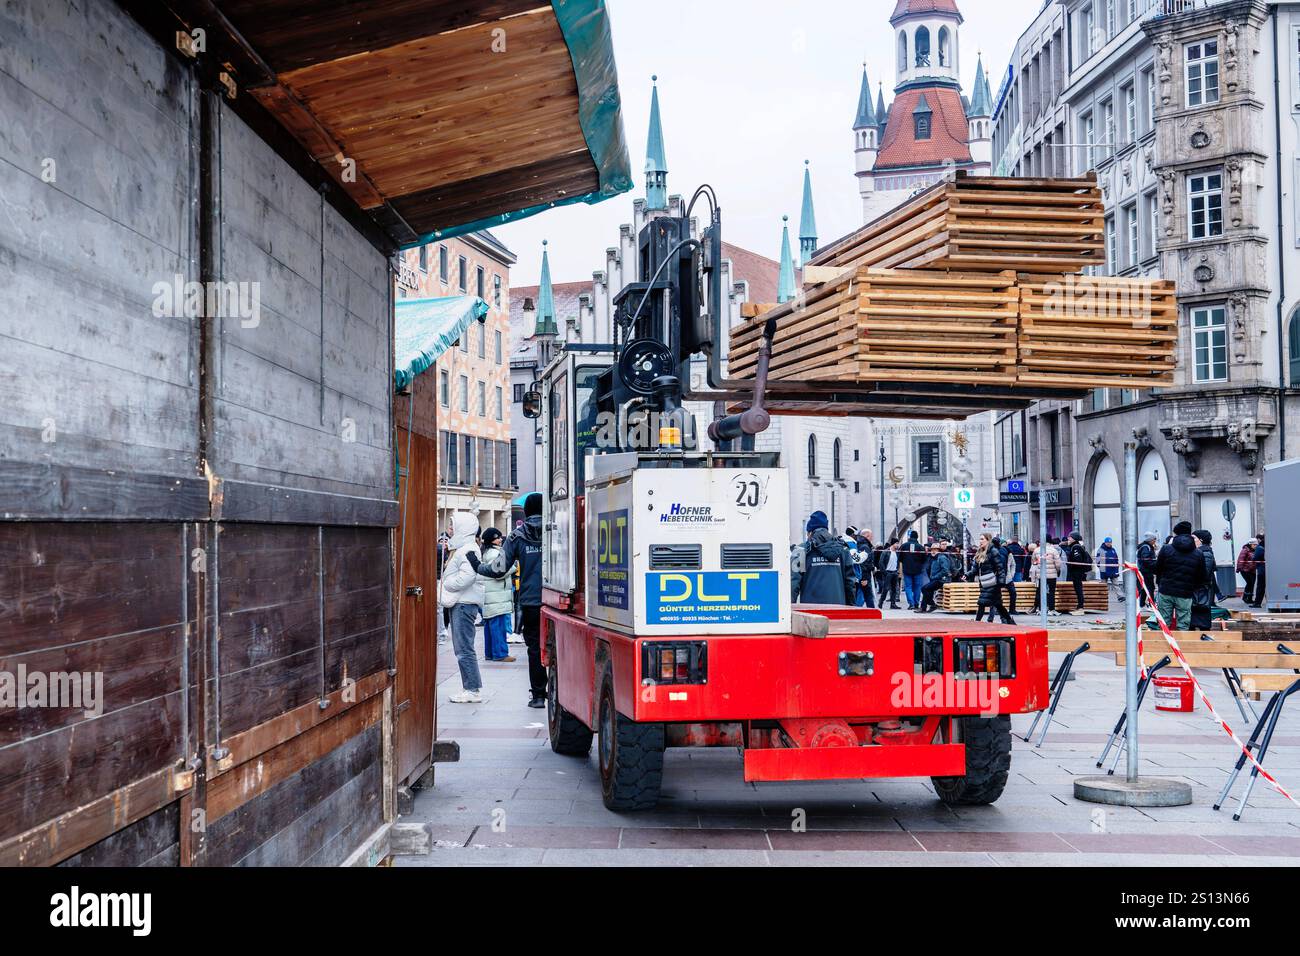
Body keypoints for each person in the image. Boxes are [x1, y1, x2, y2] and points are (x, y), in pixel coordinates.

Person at [479, 492, 546, 708]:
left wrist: (477, 565)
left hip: (530, 601)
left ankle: (538, 696)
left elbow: (499, 569)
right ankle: (559, 694)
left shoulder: (517, 536)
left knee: (534, 647)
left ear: (526, 511)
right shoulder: (557, 530)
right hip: (559, 601)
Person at [439, 512, 486, 703]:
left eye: (452, 526)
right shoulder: (464, 547)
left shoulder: (467, 549)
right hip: (461, 602)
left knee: (464, 648)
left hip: (464, 603)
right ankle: (470, 688)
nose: (450, 530)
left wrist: (447, 584)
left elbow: (468, 576)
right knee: (462, 647)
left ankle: (472, 689)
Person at [791, 511, 856, 605]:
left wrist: (790, 609)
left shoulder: (800, 550)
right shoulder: (843, 549)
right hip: (839, 609)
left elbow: (793, 582)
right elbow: (850, 582)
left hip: (810, 612)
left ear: (810, 532)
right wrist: (852, 607)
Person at [1154, 521, 1209, 631]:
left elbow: (1158, 569)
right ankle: (1181, 646)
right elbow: (1202, 576)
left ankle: (1161, 646)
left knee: (1163, 623)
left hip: (1166, 590)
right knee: (1183, 624)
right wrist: (1192, 587)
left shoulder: (1166, 549)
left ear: (1176, 534)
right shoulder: (1198, 553)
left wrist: (1160, 583)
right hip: (1185, 593)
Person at [477, 528, 516, 663]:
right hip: (497, 595)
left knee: (490, 624)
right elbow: (498, 573)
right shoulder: (495, 554)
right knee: (498, 625)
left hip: (491, 594)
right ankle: (500, 653)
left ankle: (490, 653)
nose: (500, 540)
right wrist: (513, 567)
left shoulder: (487, 552)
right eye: (497, 537)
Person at [973, 534, 1014, 625]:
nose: (980, 541)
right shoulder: (979, 552)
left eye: (982, 539)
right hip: (985, 582)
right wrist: (967, 575)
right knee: (998, 605)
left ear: (988, 540)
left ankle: (976, 623)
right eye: (980, 539)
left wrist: (1001, 582)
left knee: (982, 603)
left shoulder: (993, 551)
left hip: (992, 583)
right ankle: (1010, 621)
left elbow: (1000, 568)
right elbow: (975, 568)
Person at [1190, 529, 1222, 630]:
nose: (1192, 540)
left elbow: (1204, 574)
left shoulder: (1206, 553)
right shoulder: (1200, 552)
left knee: (1201, 620)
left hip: (1201, 592)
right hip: (1199, 592)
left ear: (1201, 540)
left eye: (1194, 538)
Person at [898, 530, 928, 611]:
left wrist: (905, 562)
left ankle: (911, 604)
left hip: (907, 569)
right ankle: (916, 603)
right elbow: (924, 559)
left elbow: (899, 557)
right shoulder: (920, 547)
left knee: (908, 587)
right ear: (917, 537)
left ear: (910, 537)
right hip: (918, 570)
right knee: (917, 587)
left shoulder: (904, 546)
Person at [1063, 532, 1092, 616]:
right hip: (1078, 572)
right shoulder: (1076, 546)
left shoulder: (1076, 547)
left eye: (1070, 537)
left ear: (1074, 539)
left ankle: (1080, 608)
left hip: (1077, 572)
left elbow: (1077, 560)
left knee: (1078, 589)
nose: (1068, 539)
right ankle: (1079, 607)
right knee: (1078, 589)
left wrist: (1069, 564)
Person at [1029, 539, 1060, 615]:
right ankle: (1051, 609)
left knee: (1040, 592)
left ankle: (1040, 609)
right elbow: (1058, 564)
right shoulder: (1054, 550)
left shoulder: (1036, 550)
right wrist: (1057, 571)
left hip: (1041, 575)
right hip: (1052, 575)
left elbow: (1033, 562)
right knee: (1051, 592)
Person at [919, 542, 952, 613]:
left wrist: (935, 577)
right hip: (935, 579)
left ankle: (931, 605)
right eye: (932, 549)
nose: (933, 551)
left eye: (935, 550)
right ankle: (924, 608)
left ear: (939, 550)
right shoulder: (933, 558)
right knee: (927, 590)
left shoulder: (942, 558)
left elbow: (945, 570)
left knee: (924, 589)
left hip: (942, 580)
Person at [1096, 536, 1122, 604]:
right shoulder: (1101, 550)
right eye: (1107, 542)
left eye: (1110, 542)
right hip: (1104, 571)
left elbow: (1116, 559)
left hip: (1113, 570)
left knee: (1116, 584)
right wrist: (1102, 569)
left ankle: (1120, 596)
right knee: (1104, 585)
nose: (1109, 544)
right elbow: (1098, 561)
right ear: (1105, 542)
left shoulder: (1113, 549)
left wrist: (1116, 568)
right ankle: (1103, 598)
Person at [876, 539, 901, 609]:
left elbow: (897, 562)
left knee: (894, 589)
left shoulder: (897, 552)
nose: (897, 545)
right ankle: (881, 602)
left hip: (894, 572)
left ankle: (893, 604)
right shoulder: (886, 552)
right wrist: (885, 573)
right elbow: (881, 562)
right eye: (896, 543)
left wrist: (897, 570)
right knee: (885, 589)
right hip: (888, 572)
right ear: (893, 544)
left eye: (898, 543)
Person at [1137, 531, 1160, 600]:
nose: (1155, 541)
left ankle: (1143, 603)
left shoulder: (1147, 546)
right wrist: (1155, 564)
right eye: (1154, 539)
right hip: (1146, 571)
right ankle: (1150, 603)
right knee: (1150, 587)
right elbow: (1146, 559)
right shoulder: (1146, 547)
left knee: (1146, 587)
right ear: (1150, 540)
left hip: (1145, 570)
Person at [1236, 539, 1258, 606]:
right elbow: (1240, 559)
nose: (1255, 546)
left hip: (1252, 570)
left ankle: (1250, 598)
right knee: (1249, 583)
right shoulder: (1245, 550)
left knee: (1252, 584)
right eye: (1254, 545)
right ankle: (1245, 597)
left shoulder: (1255, 550)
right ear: (1250, 544)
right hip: (1245, 570)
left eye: (1256, 545)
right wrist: (1239, 568)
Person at [1249, 534, 1267, 608]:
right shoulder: (1266, 546)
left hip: (1261, 570)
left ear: (1259, 539)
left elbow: (1254, 558)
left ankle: (1257, 603)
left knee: (1260, 587)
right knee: (1263, 587)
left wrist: (1253, 556)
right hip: (1266, 570)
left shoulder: (1259, 548)